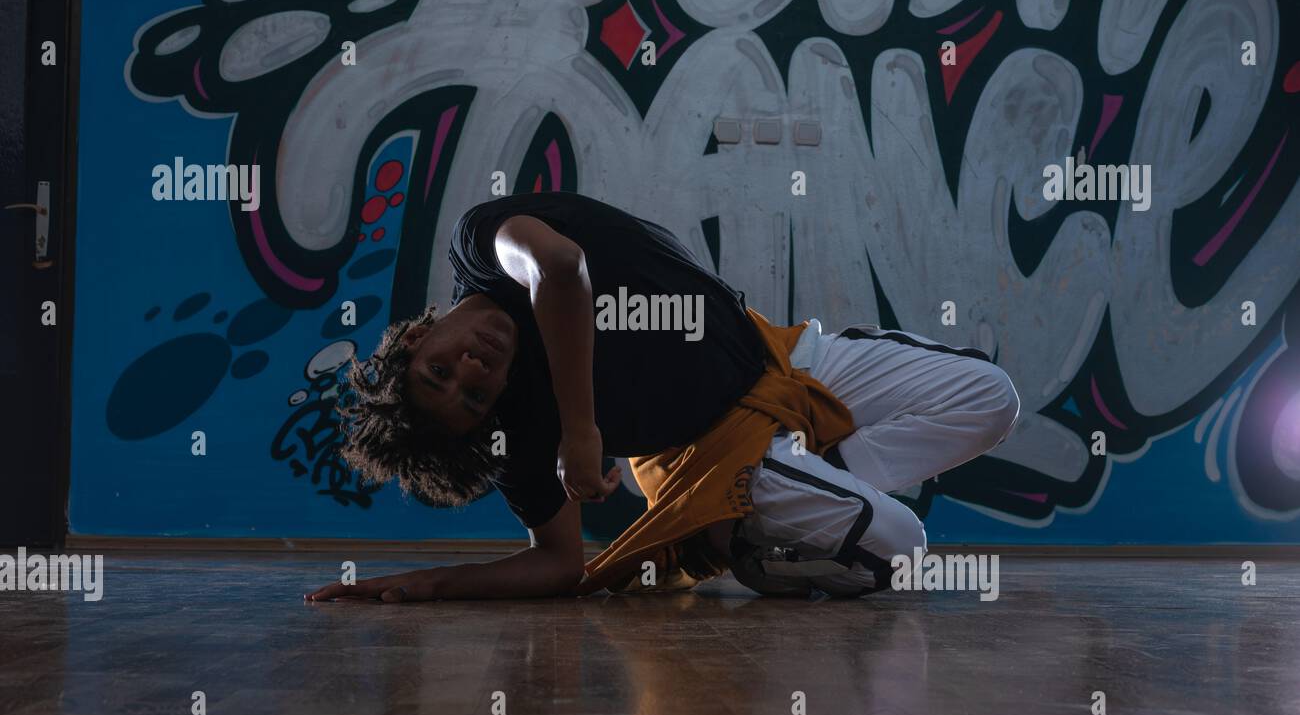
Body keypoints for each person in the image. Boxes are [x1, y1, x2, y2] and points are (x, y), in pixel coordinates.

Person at [306, 191, 1019, 602]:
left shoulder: (481, 246)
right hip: (723, 454)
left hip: (784, 358)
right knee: (904, 545)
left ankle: (790, 493)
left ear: (416, 337)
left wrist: (581, 427)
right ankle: (747, 533)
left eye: (438, 370)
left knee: (991, 398)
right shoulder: (521, 426)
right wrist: (431, 583)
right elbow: (558, 561)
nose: (471, 369)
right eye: (471, 397)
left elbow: (560, 265)